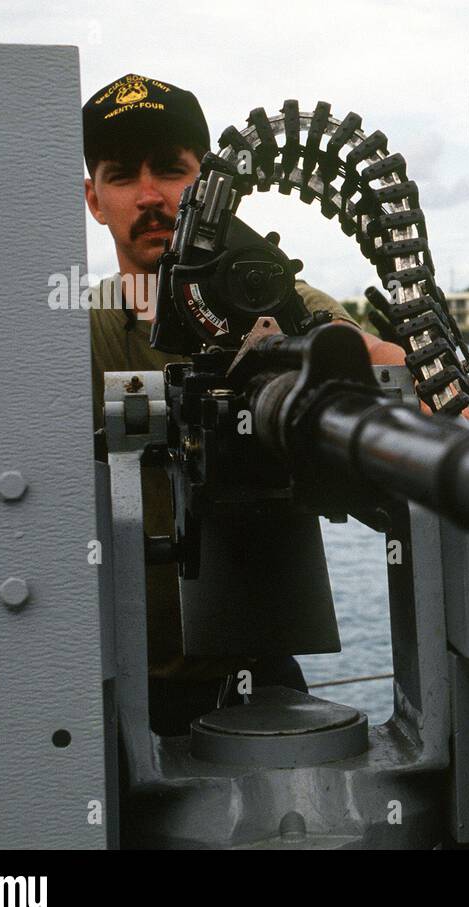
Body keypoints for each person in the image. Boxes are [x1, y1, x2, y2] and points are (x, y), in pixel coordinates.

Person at [82, 72, 406, 734]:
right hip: (117, 685)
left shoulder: (279, 303)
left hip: (261, 678)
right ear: (93, 198)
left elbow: (394, 382)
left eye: (171, 170)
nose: (149, 196)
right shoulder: (80, 332)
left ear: (210, 187)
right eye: (122, 175)